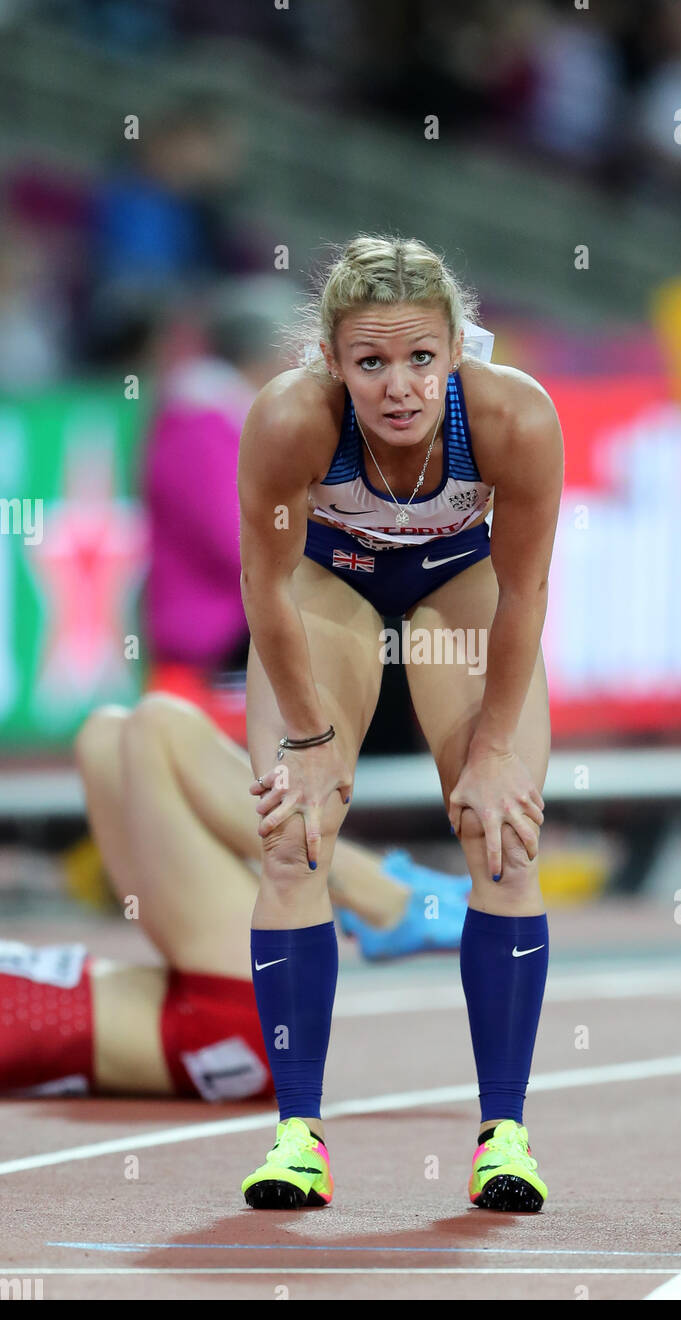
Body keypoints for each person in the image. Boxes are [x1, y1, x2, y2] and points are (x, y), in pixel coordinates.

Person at [237, 234, 563, 1212]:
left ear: (456, 349)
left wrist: (496, 750)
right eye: (370, 362)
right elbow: (262, 588)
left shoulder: (512, 417)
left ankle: (504, 1133)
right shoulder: (290, 420)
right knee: (294, 834)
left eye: (421, 358)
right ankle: (297, 1137)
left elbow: (523, 594)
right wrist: (304, 736)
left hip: (457, 584)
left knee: (499, 834)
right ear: (331, 361)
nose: (398, 386)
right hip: (325, 585)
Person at [0, 693, 471, 1102]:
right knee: (159, 727)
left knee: (104, 736)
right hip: (229, 1019)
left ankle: (382, 899)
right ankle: (386, 902)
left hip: (194, 996)